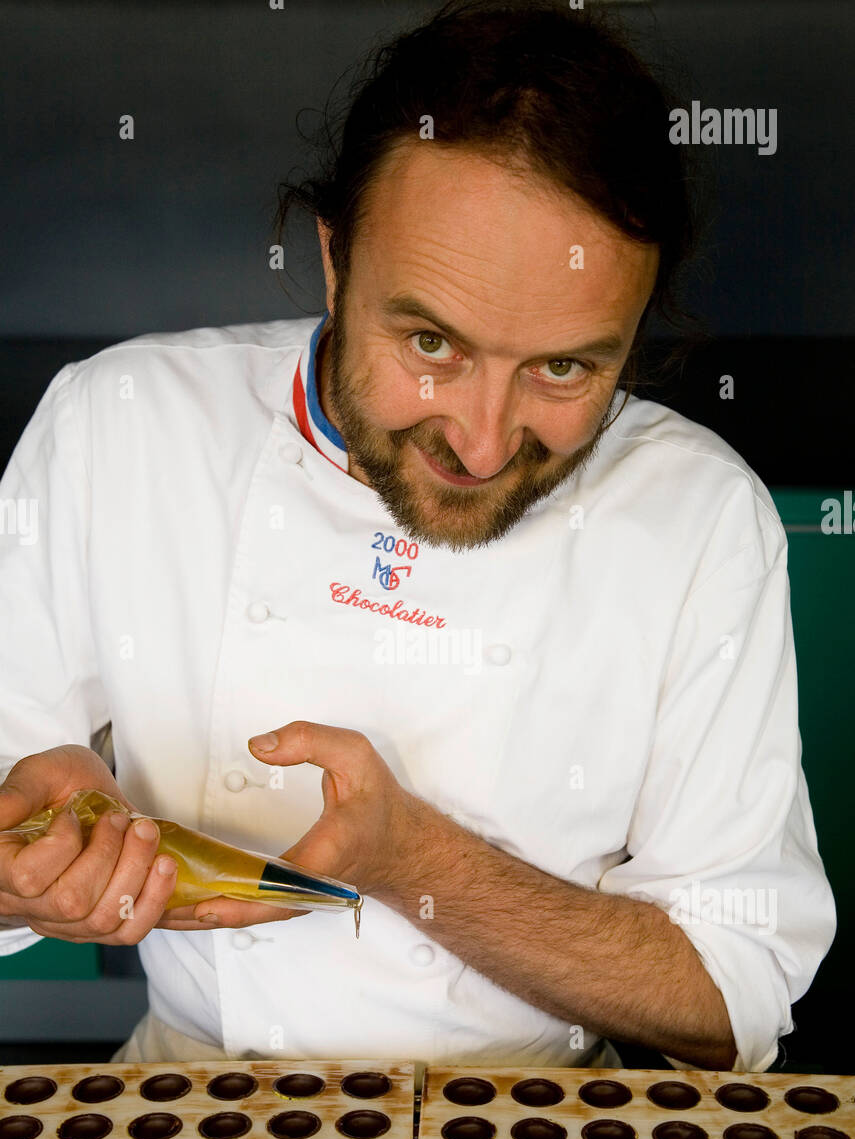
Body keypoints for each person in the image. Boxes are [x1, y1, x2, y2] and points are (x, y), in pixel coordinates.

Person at [0, 0, 835, 1075]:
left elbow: (733, 991)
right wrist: (36, 857)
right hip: (187, 1101)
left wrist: (417, 859)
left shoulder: (700, 517)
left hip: (545, 1135)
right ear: (336, 260)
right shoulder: (122, 424)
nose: (483, 443)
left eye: (566, 368)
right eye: (432, 340)